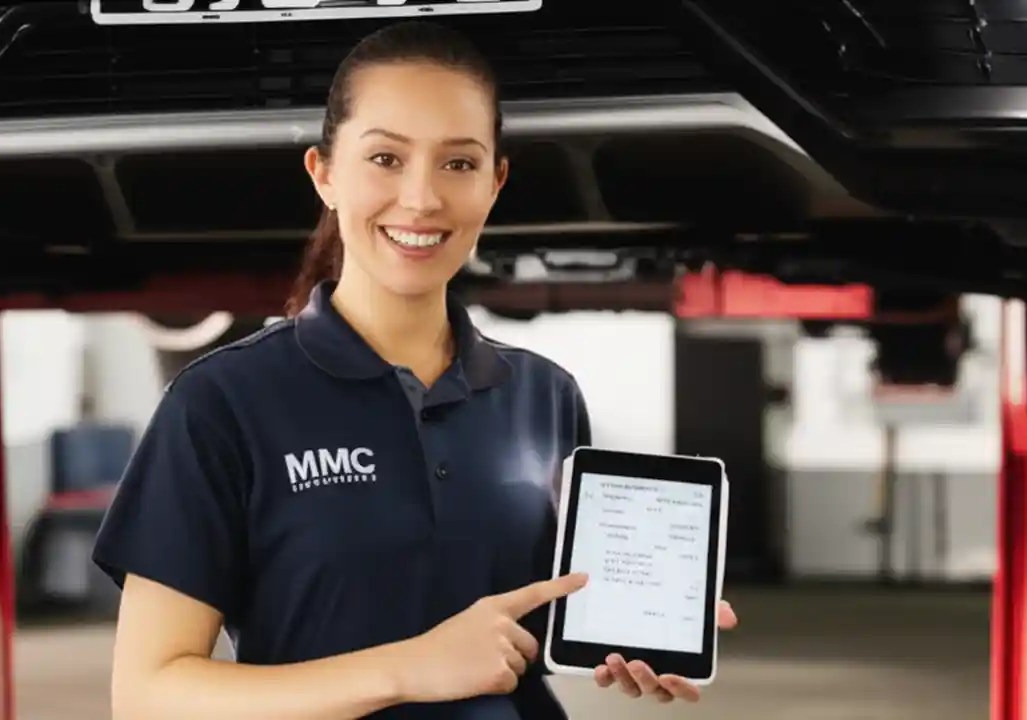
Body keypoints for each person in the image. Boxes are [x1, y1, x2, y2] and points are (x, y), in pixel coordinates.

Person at [92, 20, 738, 720]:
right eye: (385, 159)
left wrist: (635, 624)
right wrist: (407, 669)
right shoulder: (222, 403)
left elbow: (533, 613)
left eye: (458, 164)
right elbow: (148, 696)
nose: (423, 199)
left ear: (495, 184)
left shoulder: (543, 395)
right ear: (325, 173)